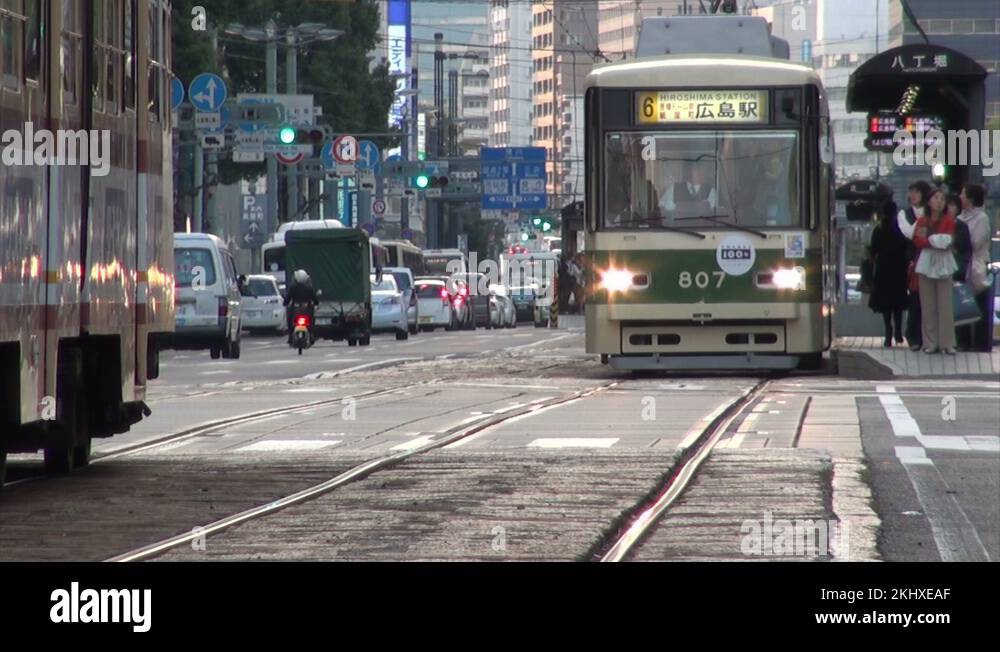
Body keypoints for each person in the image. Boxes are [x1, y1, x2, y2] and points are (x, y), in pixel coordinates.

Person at [913, 189, 958, 355]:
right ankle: (930, 342)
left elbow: (949, 240)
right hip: (926, 263)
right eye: (936, 198)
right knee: (928, 305)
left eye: (942, 199)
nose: (939, 201)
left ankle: (947, 342)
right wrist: (935, 241)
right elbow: (918, 240)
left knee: (945, 305)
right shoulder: (922, 221)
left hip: (944, 263)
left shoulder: (949, 221)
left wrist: (933, 241)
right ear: (929, 202)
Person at [956, 184, 993, 351]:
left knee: (979, 304)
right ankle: (963, 340)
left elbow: (976, 243)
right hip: (962, 265)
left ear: (970, 198)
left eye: (963, 194)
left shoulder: (981, 218)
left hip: (976, 266)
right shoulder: (960, 217)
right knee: (962, 303)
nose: (960, 196)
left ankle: (980, 343)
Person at [868, 200, 910, 347]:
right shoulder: (900, 228)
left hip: (883, 269)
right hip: (899, 269)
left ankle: (888, 332)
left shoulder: (878, 229)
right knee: (898, 303)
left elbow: (873, 250)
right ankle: (898, 331)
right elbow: (907, 245)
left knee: (885, 304)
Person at [897, 180, 932, 350]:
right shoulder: (904, 214)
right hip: (914, 262)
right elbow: (909, 233)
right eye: (911, 192)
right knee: (915, 299)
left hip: (931, 260)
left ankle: (928, 336)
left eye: (916, 192)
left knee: (930, 301)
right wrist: (923, 224)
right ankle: (914, 336)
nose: (912, 196)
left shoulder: (932, 213)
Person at [284, 269, 319, 344]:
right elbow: (315, 299)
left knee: (290, 320)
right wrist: (315, 302)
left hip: (295, 310)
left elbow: (287, 299)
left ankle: (290, 335)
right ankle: (311, 334)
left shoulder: (292, 288)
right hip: (306, 310)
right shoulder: (309, 288)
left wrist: (285, 302)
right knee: (311, 320)